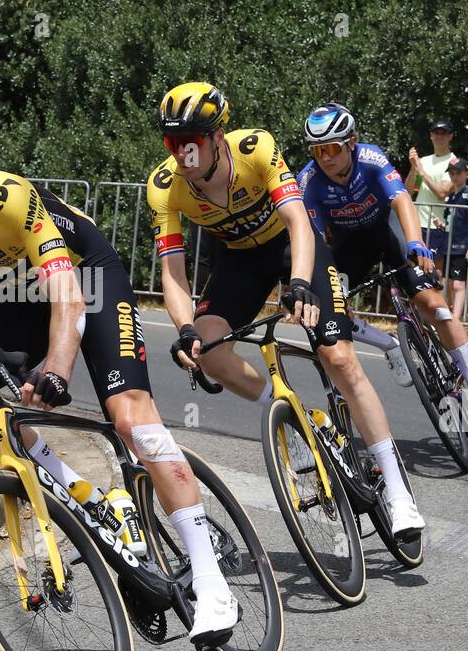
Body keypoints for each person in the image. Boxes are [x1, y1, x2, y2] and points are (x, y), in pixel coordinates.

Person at [0, 127, 240, 644]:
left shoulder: (4, 196)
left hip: (86, 278)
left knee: (130, 418)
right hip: (24, 298)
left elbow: (69, 296)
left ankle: (212, 581)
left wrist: (57, 369)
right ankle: (86, 493)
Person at [147, 83, 427, 541]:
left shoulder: (256, 148)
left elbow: (299, 221)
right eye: (173, 143)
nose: (183, 153)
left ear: (219, 136)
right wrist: (183, 329)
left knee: (339, 358)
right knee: (211, 352)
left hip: (293, 248)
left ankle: (397, 490)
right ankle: (296, 423)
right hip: (238, 262)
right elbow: (173, 274)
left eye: (192, 141)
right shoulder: (164, 187)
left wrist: (299, 283)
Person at [297, 102, 468, 433]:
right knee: (335, 312)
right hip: (349, 246)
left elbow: (402, 200)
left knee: (434, 306)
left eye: (333, 148)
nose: (326, 158)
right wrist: (312, 283)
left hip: (387, 232)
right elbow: (315, 238)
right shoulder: (309, 181)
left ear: (352, 142)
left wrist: (415, 243)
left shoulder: (371, 159)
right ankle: (388, 345)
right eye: (317, 151)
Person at [407, 117, 456, 265]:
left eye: (444, 133)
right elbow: (408, 191)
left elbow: (442, 192)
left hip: (437, 227)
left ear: (450, 136)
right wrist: (413, 168)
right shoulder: (424, 161)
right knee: (413, 268)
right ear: (431, 136)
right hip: (417, 225)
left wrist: (421, 171)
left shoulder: (453, 162)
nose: (439, 136)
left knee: (435, 272)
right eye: (436, 132)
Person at [442, 156, 468, 321]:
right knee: (448, 282)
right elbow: (450, 221)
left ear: (467, 174)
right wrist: (441, 224)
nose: (454, 177)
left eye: (458, 173)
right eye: (452, 174)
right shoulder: (450, 197)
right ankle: (449, 314)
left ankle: (456, 318)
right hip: (448, 245)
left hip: (462, 245)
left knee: (458, 284)